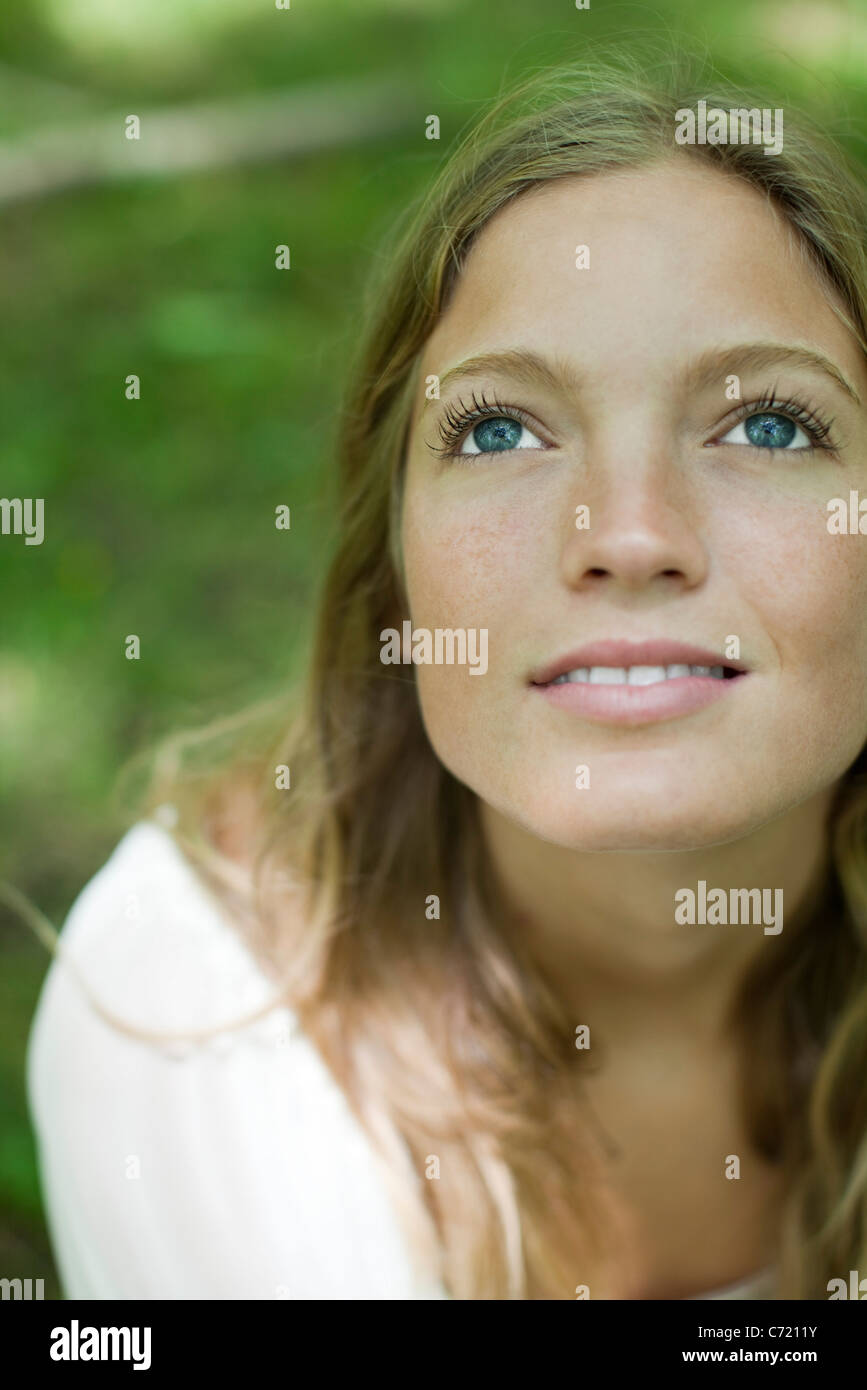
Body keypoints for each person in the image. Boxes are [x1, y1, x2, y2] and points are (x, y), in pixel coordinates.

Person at [27, 49, 867, 1301]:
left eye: (767, 424)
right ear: (396, 571)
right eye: (499, 428)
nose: (628, 536)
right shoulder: (196, 1011)